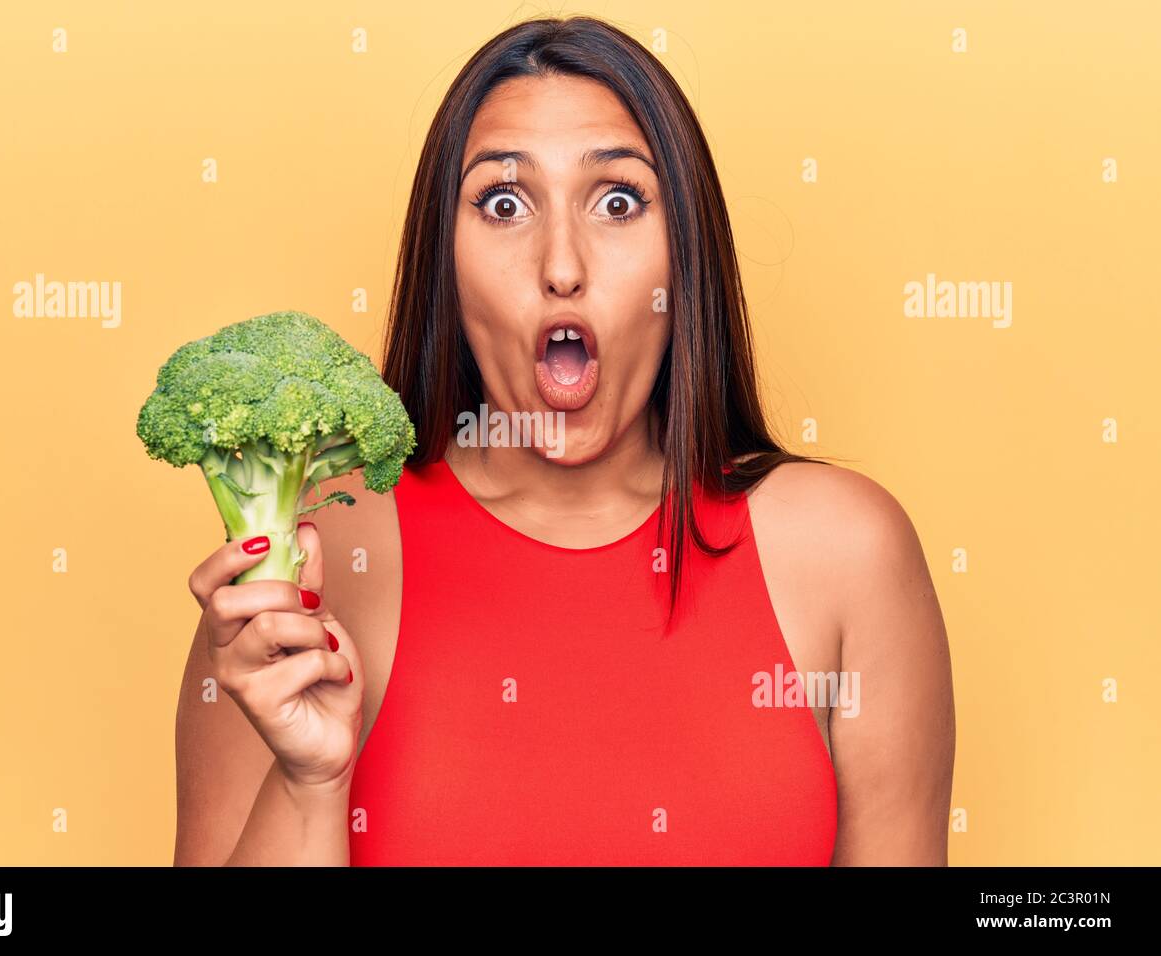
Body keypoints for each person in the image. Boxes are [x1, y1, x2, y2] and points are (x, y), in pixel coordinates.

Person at [173, 15, 955, 866]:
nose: (562, 263)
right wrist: (309, 781)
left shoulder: (844, 553)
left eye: (618, 200)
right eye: (504, 203)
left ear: (684, 254)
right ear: (446, 258)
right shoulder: (312, 566)